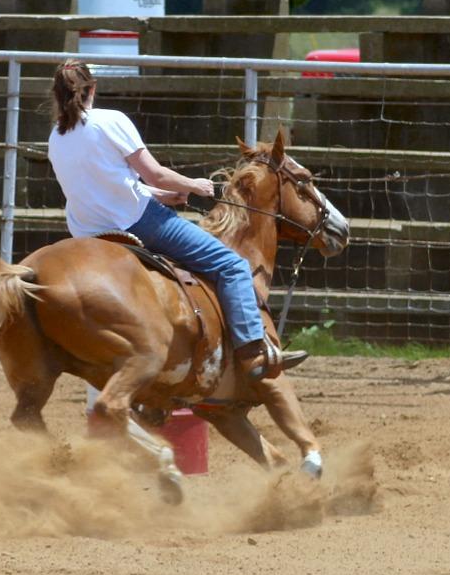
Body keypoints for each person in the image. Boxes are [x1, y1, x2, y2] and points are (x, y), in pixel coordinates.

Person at [46, 58, 305, 382]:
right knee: (232, 266)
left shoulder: (56, 138)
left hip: (87, 234)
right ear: (92, 89)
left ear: (59, 94)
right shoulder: (110, 121)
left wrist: (158, 194)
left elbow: (103, 186)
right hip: (137, 223)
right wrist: (193, 186)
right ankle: (252, 352)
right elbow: (155, 172)